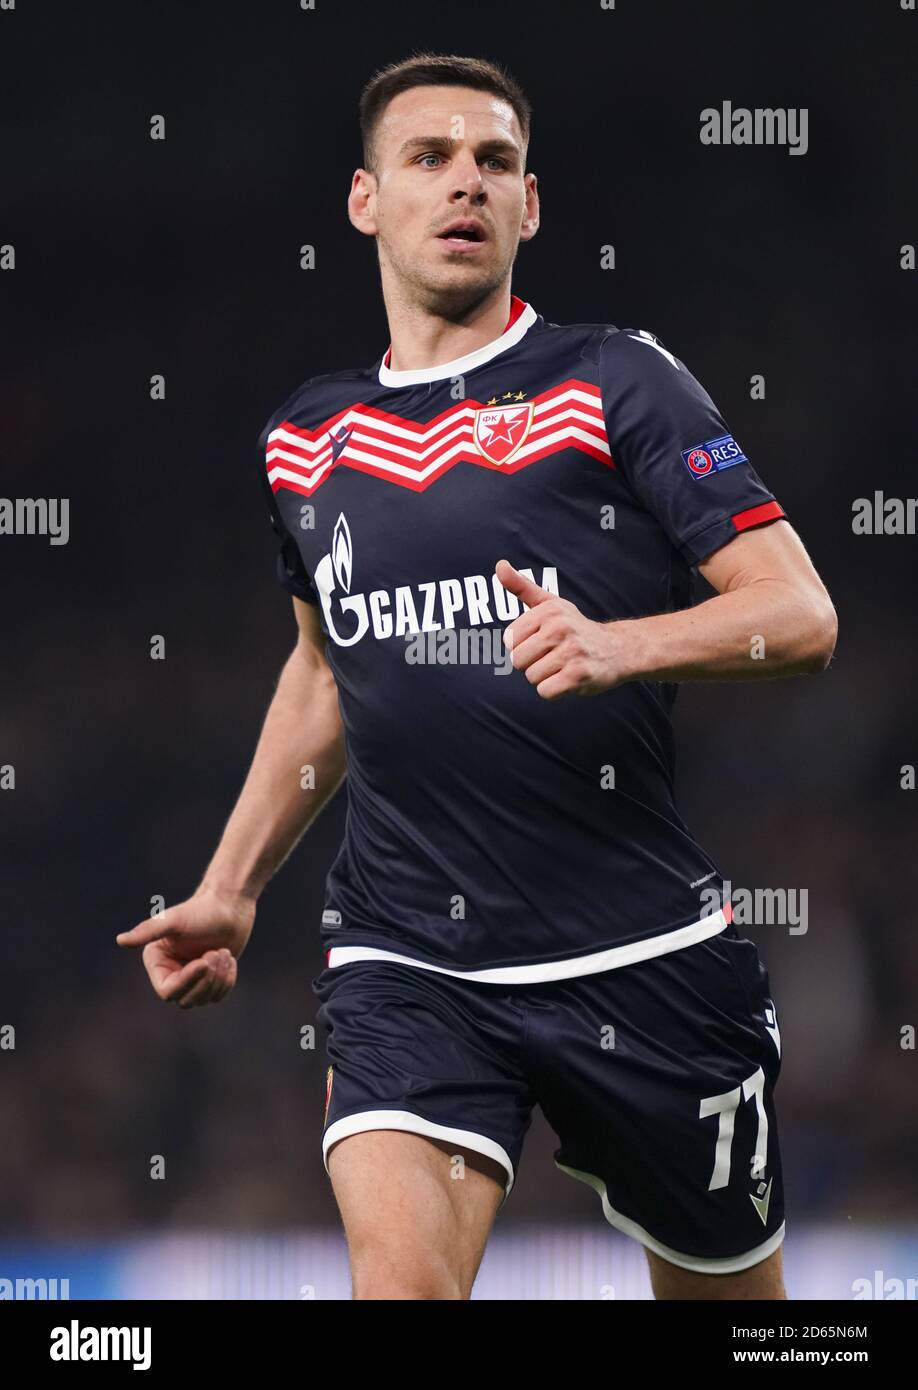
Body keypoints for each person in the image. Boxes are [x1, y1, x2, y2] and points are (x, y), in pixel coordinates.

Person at [117, 53, 838, 1300]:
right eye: (430, 158)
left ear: (530, 206)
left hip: (645, 952)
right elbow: (324, 671)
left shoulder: (614, 378)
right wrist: (230, 886)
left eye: (494, 162)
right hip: (409, 957)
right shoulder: (308, 437)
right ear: (365, 201)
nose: (466, 184)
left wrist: (623, 643)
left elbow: (802, 613)